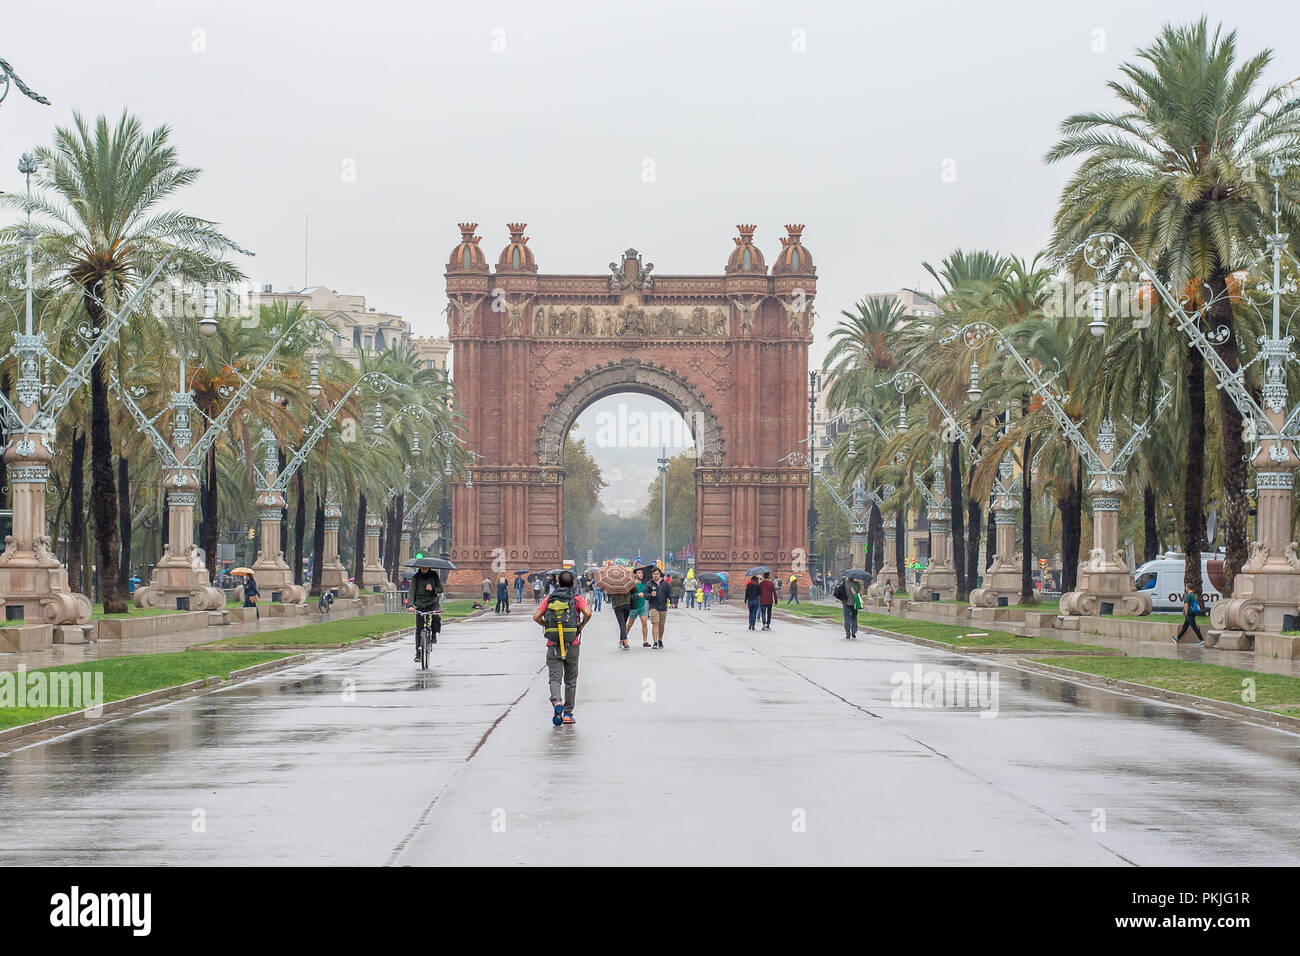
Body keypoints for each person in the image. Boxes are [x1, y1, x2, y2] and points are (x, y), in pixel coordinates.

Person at [533, 570, 592, 725]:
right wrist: (581, 625)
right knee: (571, 680)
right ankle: (567, 713)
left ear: (557, 583)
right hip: (572, 644)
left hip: (553, 645)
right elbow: (588, 612)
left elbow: (536, 616)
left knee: (554, 679)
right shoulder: (576, 598)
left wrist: (546, 625)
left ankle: (557, 703)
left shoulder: (550, 599)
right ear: (573, 583)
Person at [410, 566, 442, 659]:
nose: (424, 569)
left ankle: (434, 634)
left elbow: (440, 589)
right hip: (420, 603)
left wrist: (432, 589)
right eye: (422, 568)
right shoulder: (415, 577)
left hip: (432, 602)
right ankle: (418, 654)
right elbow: (412, 591)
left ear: (429, 567)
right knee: (419, 628)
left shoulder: (434, 575)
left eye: (426, 568)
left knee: (436, 616)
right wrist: (411, 605)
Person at [646, 567, 671, 649]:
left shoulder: (665, 583)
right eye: (654, 574)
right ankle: (655, 642)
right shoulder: (649, 583)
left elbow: (670, 593)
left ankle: (660, 640)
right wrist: (650, 595)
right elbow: (645, 595)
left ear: (660, 574)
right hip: (653, 607)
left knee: (661, 625)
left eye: (657, 574)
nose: (655, 575)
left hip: (663, 607)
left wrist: (673, 601)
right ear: (652, 575)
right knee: (655, 624)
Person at [628, 568, 651, 647]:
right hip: (634, 607)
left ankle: (645, 641)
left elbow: (647, 593)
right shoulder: (632, 584)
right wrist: (637, 595)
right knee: (630, 624)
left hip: (642, 606)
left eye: (642, 573)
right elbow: (629, 596)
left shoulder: (645, 584)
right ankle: (623, 639)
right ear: (635, 574)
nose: (641, 574)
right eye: (639, 573)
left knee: (644, 623)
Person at [609, 584, 633, 649]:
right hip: (627, 604)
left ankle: (626, 643)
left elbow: (609, 595)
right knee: (623, 623)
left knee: (622, 624)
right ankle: (621, 640)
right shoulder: (627, 582)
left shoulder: (613, 584)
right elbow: (634, 590)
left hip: (617, 605)